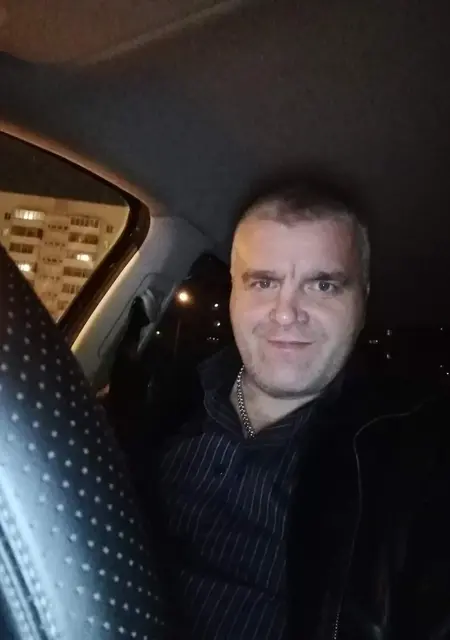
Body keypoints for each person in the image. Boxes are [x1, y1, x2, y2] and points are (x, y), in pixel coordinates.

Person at [138, 181, 450, 640]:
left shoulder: (415, 464)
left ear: (362, 298)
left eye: (323, 285)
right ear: (234, 292)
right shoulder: (158, 401)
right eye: (263, 282)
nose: (286, 313)